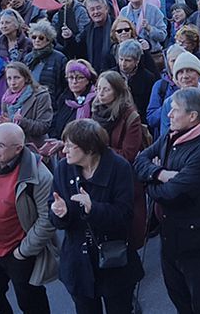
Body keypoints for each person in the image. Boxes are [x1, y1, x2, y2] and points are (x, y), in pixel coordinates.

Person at [134, 86, 200, 314]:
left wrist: (149, 184)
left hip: (195, 240)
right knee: (178, 297)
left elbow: (173, 194)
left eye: (175, 110)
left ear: (192, 116)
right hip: (169, 234)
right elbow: (140, 160)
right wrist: (160, 174)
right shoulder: (170, 136)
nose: (169, 114)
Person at [50, 118, 143, 314]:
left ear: (90, 148)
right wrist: (60, 213)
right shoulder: (63, 168)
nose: (64, 151)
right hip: (78, 263)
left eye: (70, 146)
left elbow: (125, 215)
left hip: (114, 262)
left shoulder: (119, 167)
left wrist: (94, 209)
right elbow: (54, 212)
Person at [0, 123, 57, 314]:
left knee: (31, 304)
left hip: (18, 252)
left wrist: (23, 251)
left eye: (0, 145)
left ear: (18, 148)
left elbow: (47, 219)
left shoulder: (40, 175)